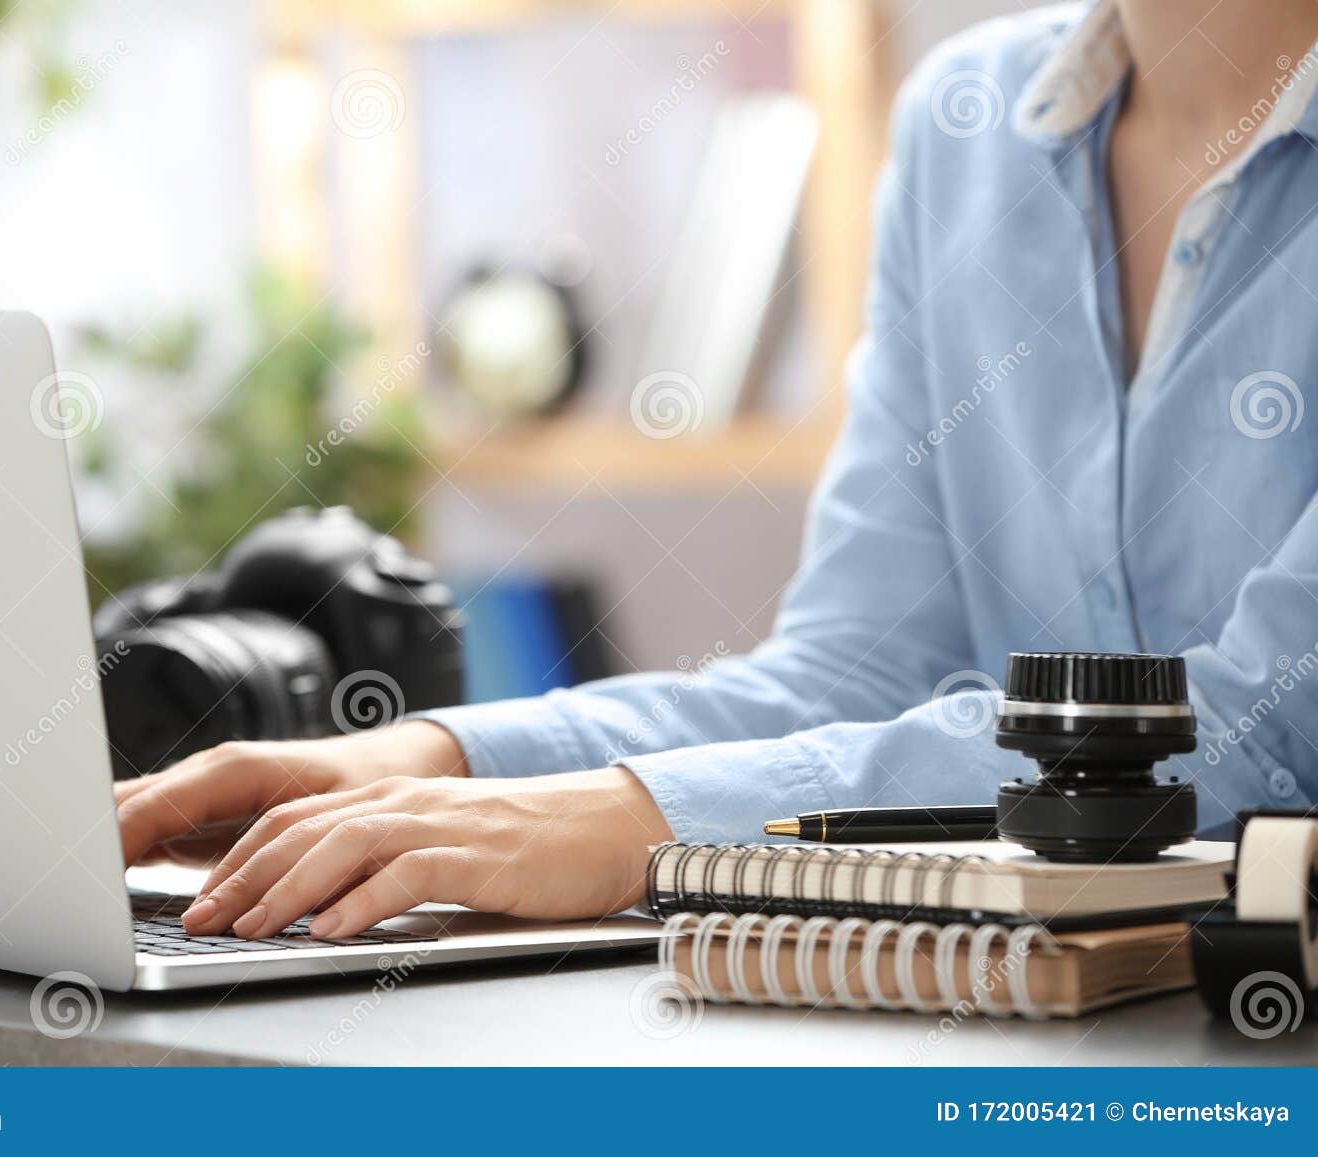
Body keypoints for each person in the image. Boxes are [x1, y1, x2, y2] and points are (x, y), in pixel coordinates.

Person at [117, 0, 1318, 943]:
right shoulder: (967, 122)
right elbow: (861, 666)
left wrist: (643, 821)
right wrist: (429, 761)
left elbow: (1273, 736)